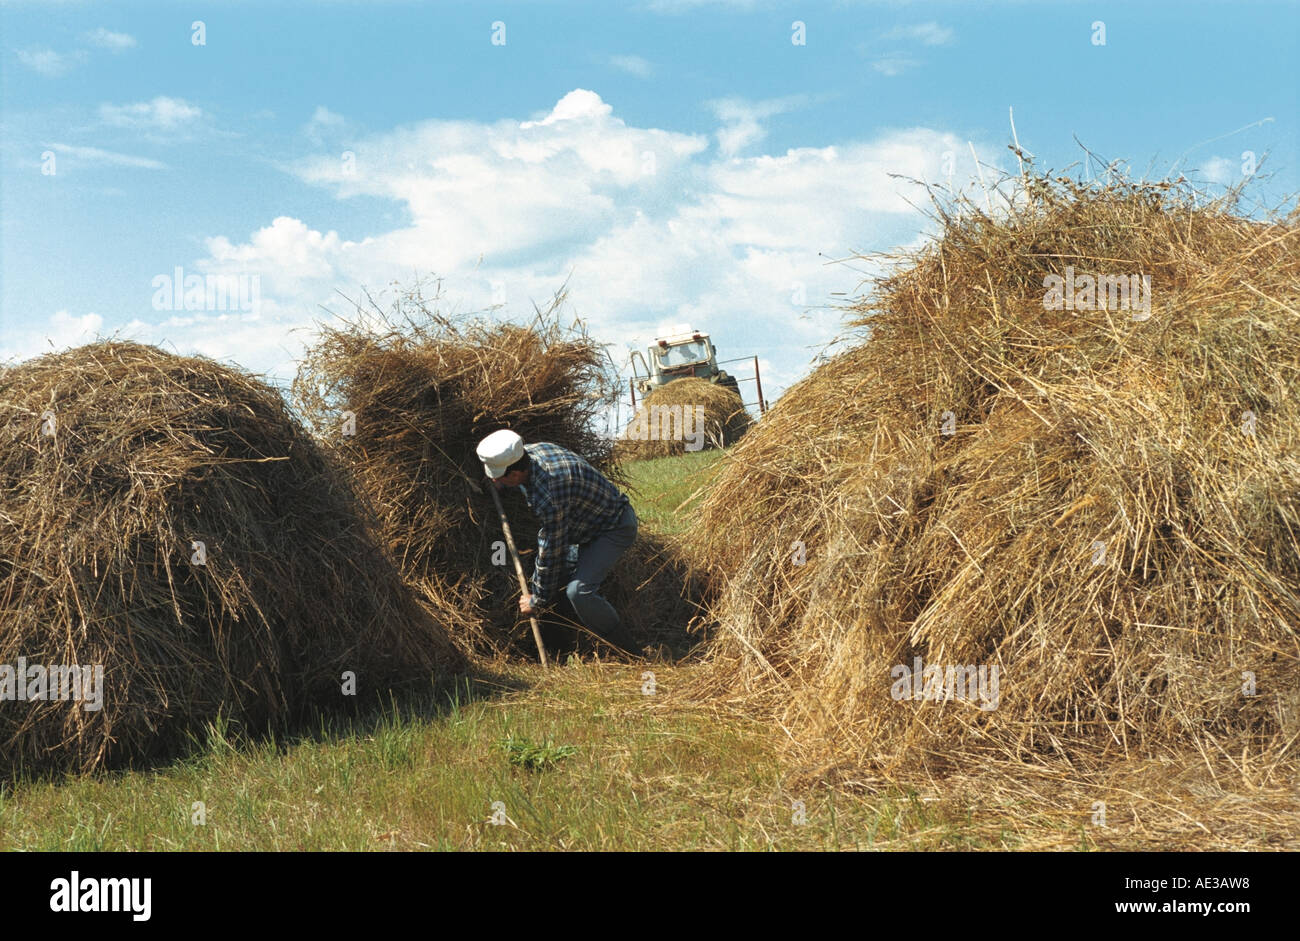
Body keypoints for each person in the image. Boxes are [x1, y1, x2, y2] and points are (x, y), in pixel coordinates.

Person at [476, 429, 639, 655]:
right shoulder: (530, 454)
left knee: (579, 592)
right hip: (583, 527)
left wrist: (537, 598)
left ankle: (629, 651)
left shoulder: (551, 491)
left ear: (515, 475)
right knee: (558, 580)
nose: (495, 480)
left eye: (500, 477)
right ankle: (565, 647)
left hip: (613, 527)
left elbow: (552, 549)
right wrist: (499, 483)